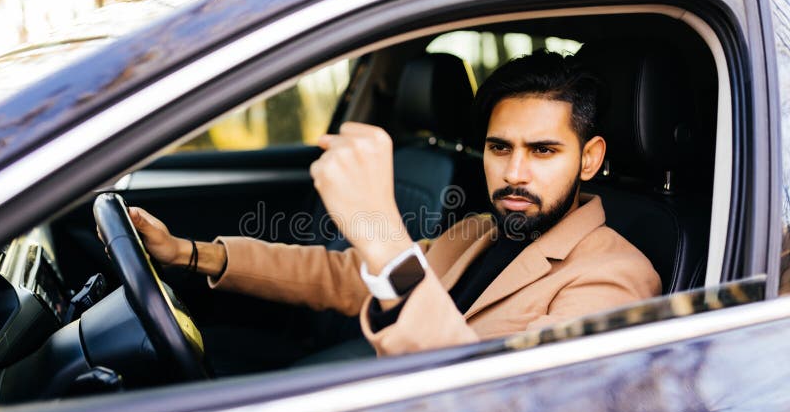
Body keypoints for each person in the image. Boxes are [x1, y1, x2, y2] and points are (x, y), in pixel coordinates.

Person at [128, 50, 661, 356]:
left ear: (589, 159)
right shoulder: (478, 233)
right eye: (500, 148)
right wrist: (190, 254)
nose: (514, 173)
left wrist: (383, 229)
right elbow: (357, 279)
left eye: (543, 151)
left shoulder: (614, 278)